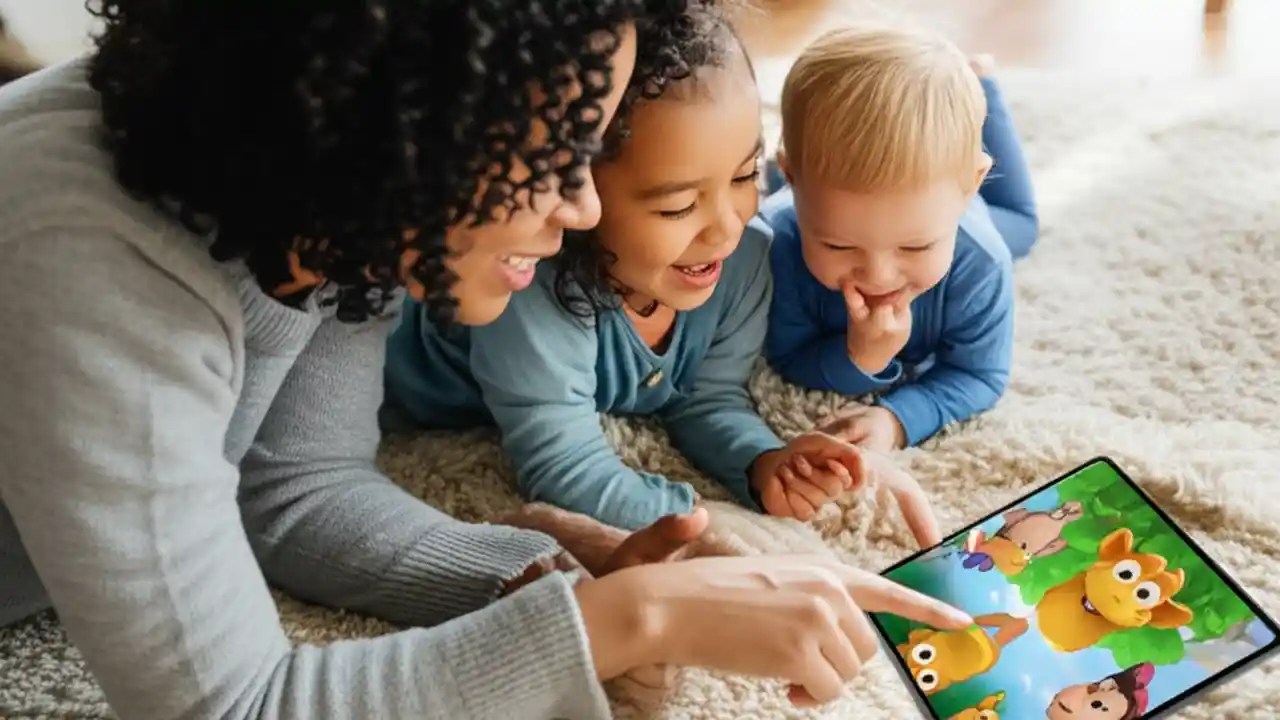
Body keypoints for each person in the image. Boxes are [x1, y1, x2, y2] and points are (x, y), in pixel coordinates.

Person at [0, 3, 970, 719]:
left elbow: (292, 489)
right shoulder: (91, 264)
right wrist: (634, 620)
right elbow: (231, 705)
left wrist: (535, 575)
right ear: (413, 128)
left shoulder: (342, 199)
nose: (584, 209)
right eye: (557, 158)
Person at [384, 4, 938, 532]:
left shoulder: (742, 259)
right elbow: (561, 465)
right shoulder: (530, 286)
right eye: (677, 206)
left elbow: (705, 396)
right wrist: (704, 521)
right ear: (579, 191)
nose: (726, 227)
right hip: (401, 388)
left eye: (746, 176)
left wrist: (763, 463)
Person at [760, 24, 1039, 453]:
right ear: (796, 183)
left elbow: (980, 375)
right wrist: (860, 357)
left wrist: (898, 418)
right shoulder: (777, 242)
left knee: (1023, 224)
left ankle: (984, 88)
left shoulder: (981, 260)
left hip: (979, 215)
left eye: (915, 246)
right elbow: (788, 357)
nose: (878, 275)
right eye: (837, 244)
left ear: (970, 185)